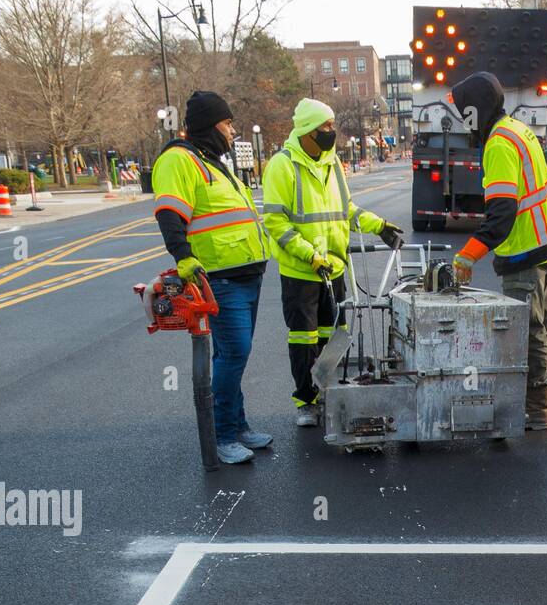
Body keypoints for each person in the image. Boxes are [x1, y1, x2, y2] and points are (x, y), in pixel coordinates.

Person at [261, 98, 403, 426]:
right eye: (325, 126)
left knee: (334, 335)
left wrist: (379, 226)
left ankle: (331, 391)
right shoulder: (282, 166)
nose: (331, 131)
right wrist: (309, 255)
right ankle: (306, 401)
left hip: (334, 267)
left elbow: (346, 211)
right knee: (304, 337)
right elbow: (276, 223)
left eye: (331, 125)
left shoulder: (333, 163)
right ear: (308, 130)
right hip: (302, 272)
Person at [151, 90, 271, 465]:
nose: (233, 131)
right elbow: (169, 212)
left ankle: (238, 425)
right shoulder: (179, 160)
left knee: (232, 355)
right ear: (208, 125)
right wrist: (183, 256)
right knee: (235, 353)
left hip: (246, 273)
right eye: (227, 123)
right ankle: (223, 434)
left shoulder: (212, 161)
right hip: (219, 276)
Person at [451, 72, 547, 431]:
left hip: (526, 249)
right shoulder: (517, 129)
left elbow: (501, 214)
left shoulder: (499, 143)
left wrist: (467, 254)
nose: (462, 120)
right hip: (544, 241)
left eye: (464, 112)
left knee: (527, 331)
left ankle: (536, 410)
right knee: (541, 327)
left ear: (477, 111)